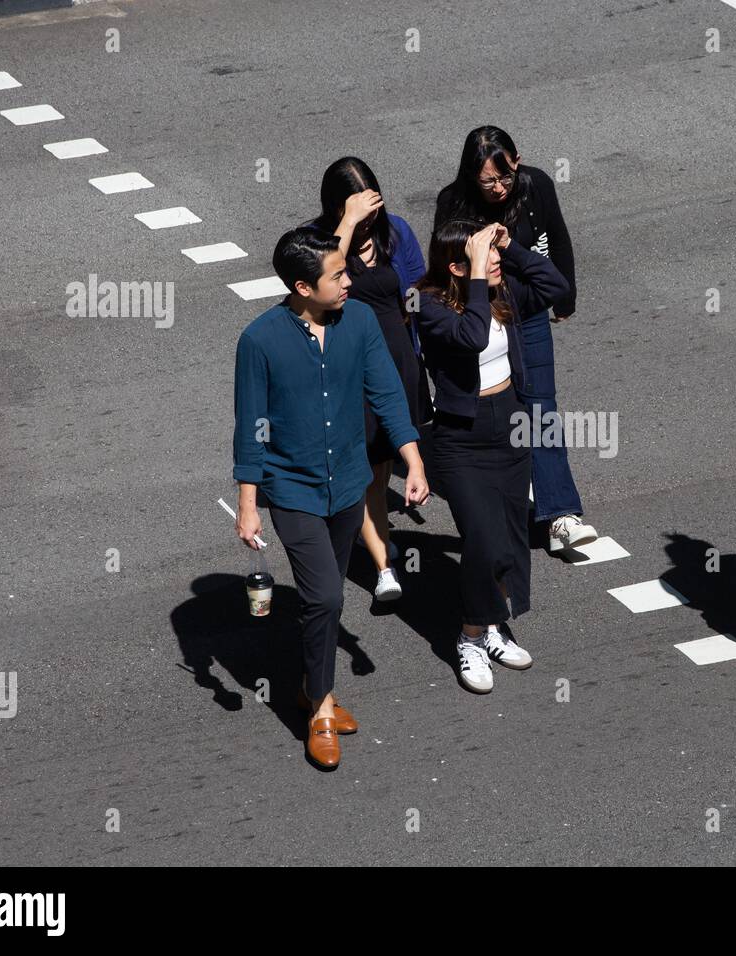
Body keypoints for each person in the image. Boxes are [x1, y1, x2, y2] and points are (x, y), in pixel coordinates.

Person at [232, 227, 430, 769]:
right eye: (337, 275)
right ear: (302, 286)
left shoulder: (360, 321)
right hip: (291, 490)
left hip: (347, 483)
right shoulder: (260, 341)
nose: (348, 282)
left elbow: (387, 393)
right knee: (325, 598)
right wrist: (248, 503)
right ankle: (319, 708)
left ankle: (308, 685)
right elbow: (252, 427)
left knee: (325, 598)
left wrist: (412, 459)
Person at [416, 219, 569, 693]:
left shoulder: (501, 291)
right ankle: (470, 636)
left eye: (494, 253)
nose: (496, 260)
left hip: (510, 422)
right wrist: (481, 276)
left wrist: (510, 247)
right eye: (484, 255)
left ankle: (495, 623)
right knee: (481, 535)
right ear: (457, 267)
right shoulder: (429, 306)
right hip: (461, 437)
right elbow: (472, 337)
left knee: (507, 536)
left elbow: (554, 284)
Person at [434, 126, 597, 555]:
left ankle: (561, 514)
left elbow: (558, 239)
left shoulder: (537, 184)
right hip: (482, 318)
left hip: (527, 311)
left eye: (505, 177)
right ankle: (487, 488)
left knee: (541, 406)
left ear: (517, 161)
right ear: (472, 175)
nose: (499, 188)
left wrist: (566, 297)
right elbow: (443, 264)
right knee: (496, 405)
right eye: (488, 180)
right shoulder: (452, 203)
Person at [309, 157, 433, 602]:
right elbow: (320, 284)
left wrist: (421, 350)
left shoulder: (394, 231)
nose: (370, 219)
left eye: (373, 208)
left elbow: (419, 289)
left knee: (380, 469)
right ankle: (384, 568)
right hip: (347, 369)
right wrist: (348, 222)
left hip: (396, 360)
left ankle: (370, 532)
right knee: (363, 469)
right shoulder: (321, 241)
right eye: (360, 209)